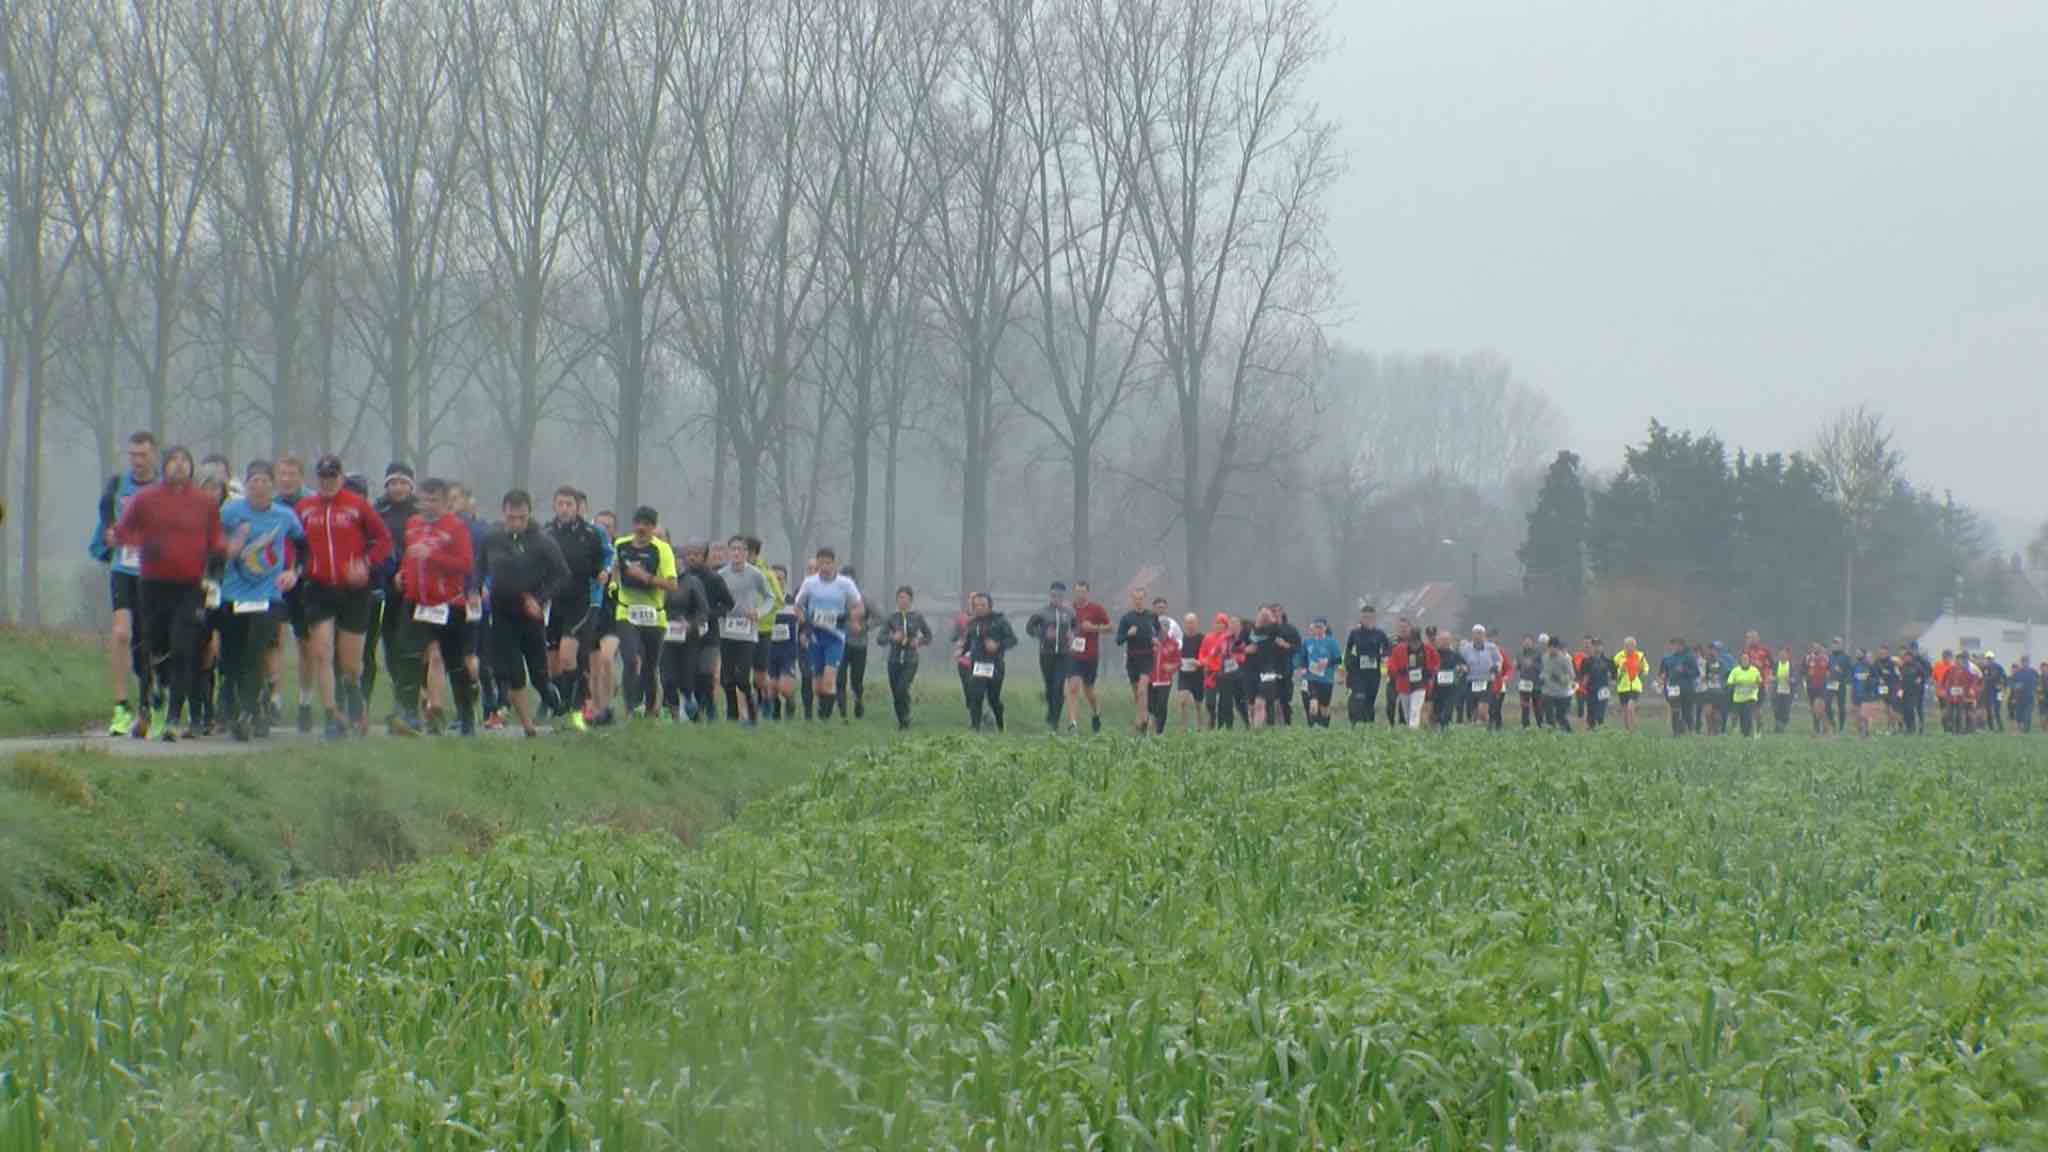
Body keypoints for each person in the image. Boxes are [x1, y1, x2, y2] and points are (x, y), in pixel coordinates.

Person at [110, 447, 226, 741]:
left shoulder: (204, 503)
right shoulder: (146, 499)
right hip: (152, 583)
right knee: (155, 646)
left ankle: (174, 716)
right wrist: (146, 544)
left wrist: (219, 562)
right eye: (173, 461)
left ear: (191, 468)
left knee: (184, 647)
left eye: (184, 461)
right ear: (164, 467)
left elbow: (216, 541)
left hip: (189, 586)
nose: (179, 466)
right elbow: (123, 533)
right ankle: (150, 700)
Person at [293, 455, 393, 739]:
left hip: (353, 590)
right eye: (322, 478)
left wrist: (366, 564)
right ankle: (330, 715)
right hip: (318, 587)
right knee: (322, 651)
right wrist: (295, 568)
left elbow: (384, 541)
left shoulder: (357, 506)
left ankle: (353, 695)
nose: (327, 484)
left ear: (341, 478)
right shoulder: (304, 508)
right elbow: (292, 544)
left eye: (332, 478)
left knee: (350, 664)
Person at [215, 460, 304, 741]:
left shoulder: (285, 516)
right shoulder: (230, 512)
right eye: (254, 481)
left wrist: (294, 572)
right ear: (247, 484)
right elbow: (212, 547)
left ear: (272, 486)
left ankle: (248, 713)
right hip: (232, 595)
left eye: (265, 481)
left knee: (256, 650)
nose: (259, 486)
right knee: (233, 657)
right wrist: (231, 547)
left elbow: (304, 546)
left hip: (268, 597)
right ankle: (256, 704)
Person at [387, 478, 476, 736]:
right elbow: (409, 555)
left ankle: (466, 717)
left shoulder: (455, 527)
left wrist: (433, 556)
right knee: (408, 657)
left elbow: (465, 564)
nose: (428, 505)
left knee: (455, 662)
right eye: (424, 499)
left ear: (446, 502)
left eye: (434, 500)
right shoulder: (413, 524)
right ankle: (408, 716)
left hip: (448, 604)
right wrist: (401, 573)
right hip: (416, 603)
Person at [480, 489, 571, 737]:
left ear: (529, 514)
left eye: (521, 518)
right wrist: (477, 590)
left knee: (539, 676)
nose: (516, 523)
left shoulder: (543, 541)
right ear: (504, 514)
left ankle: (557, 705)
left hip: (530, 615)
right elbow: (478, 567)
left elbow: (563, 576)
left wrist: (540, 599)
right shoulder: (493, 538)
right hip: (501, 613)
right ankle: (528, 725)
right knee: (513, 672)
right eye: (511, 518)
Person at [91, 430, 160, 736]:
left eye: (143, 455)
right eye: (133, 455)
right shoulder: (118, 486)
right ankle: (121, 707)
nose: (138, 461)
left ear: (154, 456)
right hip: (124, 568)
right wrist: (108, 537)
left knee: (149, 643)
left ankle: (151, 704)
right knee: (121, 633)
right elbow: (104, 524)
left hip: (156, 573)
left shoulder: (164, 488)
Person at [610, 508, 678, 720]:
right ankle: (631, 707)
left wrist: (646, 577)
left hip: (654, 615)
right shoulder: (621, 544)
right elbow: (615, 567)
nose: (641, 528)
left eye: (646, 524)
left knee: (649, 667)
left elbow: (672, 585)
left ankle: (649, 711)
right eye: (638, 523)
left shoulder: (662, 549)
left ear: (653, 527)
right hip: (626, 611)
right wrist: (612, 583)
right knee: (631, 659)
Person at [794, 547, 864, 721]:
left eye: (828, 563)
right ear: (817, 563)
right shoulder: (809, 583)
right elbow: (797, 606)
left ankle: (825, 721)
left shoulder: (845, 583)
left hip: (835, 636)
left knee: (829, 680)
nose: (825, 566)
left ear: (834, 564)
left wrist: (851, 619)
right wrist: (804, 623)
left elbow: (859, 607)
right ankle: (823, 712)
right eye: (821, 563)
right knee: (818, 686)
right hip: (815, 636)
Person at [717, 536, 773, 724]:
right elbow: (713, 599)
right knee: (727, 679)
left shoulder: (755, 574)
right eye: (733, 549)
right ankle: (732, 716)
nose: (737, 553)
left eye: (741, 549)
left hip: (747, 633)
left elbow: (770, 598)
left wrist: (758, 612)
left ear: (747, 554)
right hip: (726, 632)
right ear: (728, 552)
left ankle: (752, 713)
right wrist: (720, 611)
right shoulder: (721, 574)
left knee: (742, 678)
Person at [659, 545, 711, 722]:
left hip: (688, 638)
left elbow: (704, 611)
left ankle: (693, 712)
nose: (672, 562)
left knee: (687, 682)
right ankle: (672, 715)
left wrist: (691, 624)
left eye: (676, 558)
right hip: (664, 637)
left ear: (681, 561)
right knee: (667, 679)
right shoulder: (659, 581)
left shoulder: (692, 582)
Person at [1024, 582, 1078, 730]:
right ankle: (1050, 712)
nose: (1057, 599)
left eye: (1060, 596)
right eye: (1054, 596)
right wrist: (1043, 634)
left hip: (1064, 654)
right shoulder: (1042, 613)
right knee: (1050, 686)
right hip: (1046, 653)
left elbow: (1076, 627)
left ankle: (1054, 721)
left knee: (1059, 686)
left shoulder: (1070, 612)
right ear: (1050, 596)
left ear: (1063, 596)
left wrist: (1072, 634)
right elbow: (1029, 629)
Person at [959, 592, 1015, 731]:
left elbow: (1012, 640)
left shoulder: (1000, 621)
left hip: (995, 665)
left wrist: (997, 645)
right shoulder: (972, 623)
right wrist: (961, 652)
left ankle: (1001, 726)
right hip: (977, 664)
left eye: (982, 605)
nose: (979, 608)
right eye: (976, 605)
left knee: (993, 699)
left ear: (990, 606)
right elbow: (969, 641)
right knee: (975, 695)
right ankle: (975, 727)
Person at [882, 586, 932, 730]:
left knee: (902, 688)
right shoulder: (892, 617)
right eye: (900, 598)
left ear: (911, 600)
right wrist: (892, 637)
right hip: (894, 659)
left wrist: (919, 641)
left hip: (911, 658)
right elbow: (881, 638)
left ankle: (905, 717)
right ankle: (901, 719)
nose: (902, 601)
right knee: (895, 692)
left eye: (905, 598)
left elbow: (928, 636)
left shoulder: (917, 617)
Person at [1115, 586, 1158, 735]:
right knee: (1137, 694)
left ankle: (1143, 721)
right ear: (1132, 600)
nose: (1138, 601)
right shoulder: (1126, 618)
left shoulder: (1151, 616)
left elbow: (1158, 633)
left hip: (1147, 657)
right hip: (1132, 658)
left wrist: (1156, 640)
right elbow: (1118, 640)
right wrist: (1128, 634)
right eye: (1136, 599)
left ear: (1144, 599)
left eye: (1141, 598)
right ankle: (1142, 719)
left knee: (1141, 690)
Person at [834, 565, 874, 720]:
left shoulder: (863, 597)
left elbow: (880, 616)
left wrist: (864, 627)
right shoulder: (836, 597)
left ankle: (858, 701)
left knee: (856, 680)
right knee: (840, 679)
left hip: (859, 645)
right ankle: (842, 711)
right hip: (840, 643)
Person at [1342, 606, 1389, 726]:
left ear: (1374, 618)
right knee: (1358, 699)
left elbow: (1388, 649)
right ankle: (1355, 724)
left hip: (1374, 674)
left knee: (1369, 702)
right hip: (1358, 673)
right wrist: (1349, 664)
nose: (1366, 620)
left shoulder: (1380, 634)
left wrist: (1381, 656)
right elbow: (1348, 650)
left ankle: (1369, 725)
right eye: (1364, 617)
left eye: (1369, 617)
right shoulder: (1355, 633)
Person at [1294, 618, 1340, 728]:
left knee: (1324, 708)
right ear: (1312, 628)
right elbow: (1300, 657)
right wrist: (1301, 668)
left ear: (1325, 628)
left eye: (1321, 627)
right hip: (1311, 678)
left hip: (1326, 679)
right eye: (1316, 627)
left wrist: (1327, 662)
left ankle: (1324, 728)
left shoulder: (1331, 642)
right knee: (1313, 704)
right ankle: (1313, 727)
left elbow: (1338, 660)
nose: (1318, 630)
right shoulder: (1307, 642)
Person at [1146, 607, 1181, 735]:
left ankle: (1159, 732)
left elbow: (1178, 661)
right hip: (1150, 679)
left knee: (1162, 705)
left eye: (1166, 627)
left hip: (1165, 680)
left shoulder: (1173, 644)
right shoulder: (1150, 642)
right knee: (1151, 706)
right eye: (1161, 627)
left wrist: (1172, 667)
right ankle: (1151, 727)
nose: (1163, 630)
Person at [1460, 626, 1502, 727]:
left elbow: (1499, 660)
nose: (1478, 636)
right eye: (1476, 633)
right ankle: (1476, 730)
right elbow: (1460, 662)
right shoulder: (1465, 649)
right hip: (1470, 681)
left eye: (1480, 633)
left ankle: (1486, 726)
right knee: (1472, 711)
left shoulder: (1491, 647)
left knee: (1483, 710)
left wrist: (1496, 667)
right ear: (1472, 635)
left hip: (1486, 681)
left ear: (1484, 635)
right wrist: (1463, 667)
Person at [1175, 613, 1205, 731]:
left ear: (1197, 624)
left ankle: (1200, 727)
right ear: (1184, 624)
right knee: (1183, 701)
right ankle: (1184, 727)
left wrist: (1199, 662)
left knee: (1199, 704)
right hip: (1184, 675)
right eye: (1187, 623)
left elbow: (1207, 655)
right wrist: (1176, 662)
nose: (1190, 625)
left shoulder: (1202, 638)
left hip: (1198, 675)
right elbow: (1174, 654)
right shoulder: (1180, 639)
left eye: (1192, 622)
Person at [1540, 635, 1576, 731]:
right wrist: (1542, 677)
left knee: (1561, 718)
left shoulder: (1565, 659)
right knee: (1549, 718)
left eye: (1554, 648)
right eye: (1550, 647)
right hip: (1548, 692)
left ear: (1558, 648)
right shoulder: (1545, 658)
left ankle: (1569, 734)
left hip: (1562, 693)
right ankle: (1551, 736)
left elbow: (1572, 675)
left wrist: (1561, 678)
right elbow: (1544, 671)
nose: (1552, 650)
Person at [1612, 636, 1647, 732]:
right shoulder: (1618, 657)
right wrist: (1620, 671)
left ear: (1635, 646)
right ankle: (1628, 731)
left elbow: (1646, 669)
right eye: (1628, 645)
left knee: (1630, 708)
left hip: (1635, 686)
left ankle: (1635, 730)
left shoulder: (1640, 656)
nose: (1630, 648)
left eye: (1632, 645)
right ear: (1624, 646)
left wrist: (1642, 670)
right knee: (1625, 712)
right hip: (1623, 687)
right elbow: (1613, 672)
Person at [1727, 649, 1763, 737]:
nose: (1745, 661)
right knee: (1735, 716)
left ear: (1749, 661)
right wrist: (1736, 683)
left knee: (1748, 715)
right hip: (1738, 698)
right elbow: (1729, 682)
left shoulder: (1754, 670)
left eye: (1746, 659)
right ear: (1740, 661)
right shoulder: (1735, 671)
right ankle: (1737, 731)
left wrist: (1756, 684)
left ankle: (1750, 733)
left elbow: (1760, 682)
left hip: (1750, 697)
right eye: (1743, 659)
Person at [1580, 637, 1613, 730]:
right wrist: (1582, 686)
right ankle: (1592, 733)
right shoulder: (1586, 661)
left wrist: (1611, 681)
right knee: (1590, 715)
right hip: (1591, 691)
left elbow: (1614, 676)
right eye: (1594, 645)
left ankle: (1602, 731)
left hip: (1603, 691)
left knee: (1600, 715)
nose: (1596, 648)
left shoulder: (1608, 661)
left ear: (1602, 647)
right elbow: (1583, 676)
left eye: (1598, 645)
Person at [1518, 635, 1547, 728]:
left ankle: (1540, 725)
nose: (1526, 644)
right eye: (1525, 642)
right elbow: (1518, 667)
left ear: (1532, 643)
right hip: (1524, 683)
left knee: (1537, 706)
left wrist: (1532, 664)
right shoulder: (1520, 654)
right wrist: (1517, 665)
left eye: (1528, 642)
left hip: (1536, 683)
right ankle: (1525, 725)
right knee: (1524, 706)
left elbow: (1542, 667)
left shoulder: (1538, 653)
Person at [1827, 638, 1852, 733]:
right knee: (1827, 704)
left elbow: (1849, 670)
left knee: (1841, 706)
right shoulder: (1829, 657)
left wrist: (1846, 680)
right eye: (1834, 643)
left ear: (1841, 645)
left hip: (1841, 684)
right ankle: (1832, 722)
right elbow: (1827, 668)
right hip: (1831, 683)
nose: (1835, 645)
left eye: (1837, 643)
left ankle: (1841, 727)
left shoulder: (1846, 657)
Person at [1772, 647, 1796, 734]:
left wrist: (1791, 680)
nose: (1782, 655)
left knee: (1786, 710)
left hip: (1788, 691)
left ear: (1788, 655)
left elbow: (1795, 678)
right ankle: (1778, 726)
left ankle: (1781, 726)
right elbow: (1771, 676)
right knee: (1777, 709)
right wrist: (1774, 679)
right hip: (1777, 691)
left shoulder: (1791, 665)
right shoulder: (1775, 664)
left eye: (1784, 654)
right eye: (1781, 654)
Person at [2011, 656, 2038, 734]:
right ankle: (2019, 730)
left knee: (2027, 715)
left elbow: (2038, 682)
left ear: (2028, 662)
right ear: (2021, 663)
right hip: (2020, 697)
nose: (2024, 663)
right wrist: (2015, 686)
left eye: (2026, 661)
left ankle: (2026, 731)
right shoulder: (2018, 672)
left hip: (2029, 697)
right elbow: (2012, 682)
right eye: (2023, 662)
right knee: (2019, 715)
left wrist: (2035, 689)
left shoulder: (2033, 672)